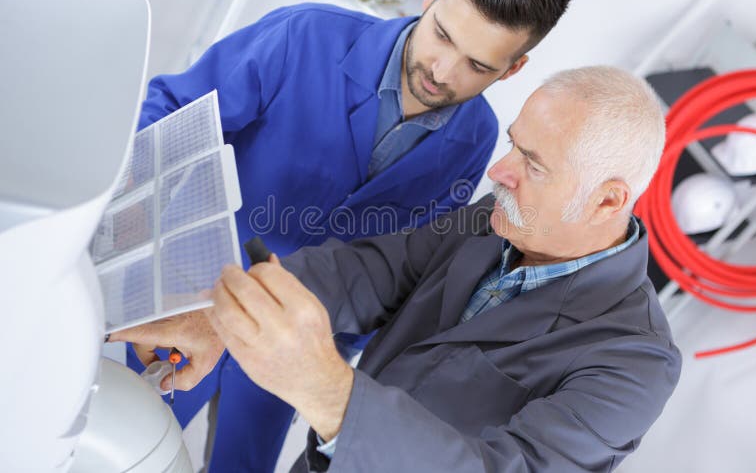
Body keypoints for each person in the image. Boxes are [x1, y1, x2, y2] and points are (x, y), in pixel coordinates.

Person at [124, 0, 572, 470]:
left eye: (476, 64)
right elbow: (170, 116)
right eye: (442, 35)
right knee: (129, 438)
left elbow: (407, 260)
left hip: (305, 329)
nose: (442, 71)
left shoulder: (478, 139)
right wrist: (141, 259)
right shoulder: (304, 36)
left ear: (513, 68)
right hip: (195, 288)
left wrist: (338, 352)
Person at [114, 65, 682, 472]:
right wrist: (224, 314)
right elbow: (370, 271)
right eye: (513, 145)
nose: (498, 172)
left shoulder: (634, 361)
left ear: (608, 200)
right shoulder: (496, 218)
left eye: (532, 164)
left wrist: (328, 391)